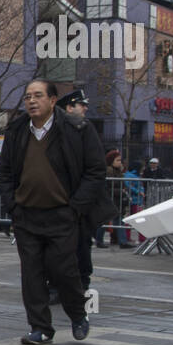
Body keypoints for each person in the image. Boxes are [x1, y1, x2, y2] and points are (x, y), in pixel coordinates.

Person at [0, 78, 102, 345]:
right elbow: (6, 172)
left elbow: (95, 170)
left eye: (38, 95)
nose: (31, 101)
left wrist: (76, 207)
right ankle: (40, 328)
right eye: (28, 96)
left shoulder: (76, 128)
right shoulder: (18, 129)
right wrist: (13, 205)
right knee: (31, 274)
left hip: (62, 215)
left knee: (64, 270)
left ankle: (78, 314)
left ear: (53, 101)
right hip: (26, 215)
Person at [57, 88, 113, 294]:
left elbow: (96, 169)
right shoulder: (52, 130)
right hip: (57, 201)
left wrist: (79, 202)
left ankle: (81, 283)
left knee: (81, 246)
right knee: (57, 248)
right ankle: (56, 285)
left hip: (79, 204)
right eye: (81, 104)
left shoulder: (85, 129)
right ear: (68, 107)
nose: (85, 108)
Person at [95, 149, 132, 249]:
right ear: (111, 160)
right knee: (105, 220)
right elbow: (109, 186)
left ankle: (122, 241)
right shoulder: (109, 171)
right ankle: (99, 240)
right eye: (117, 160)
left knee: (118, 220)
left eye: (120, 160)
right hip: (109, 199)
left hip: (116, 199)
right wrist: (121, 191)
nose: (120, 162)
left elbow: (121, 185)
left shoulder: (117, 171)